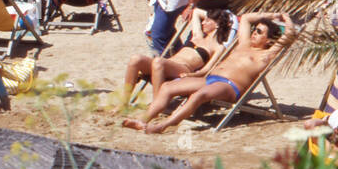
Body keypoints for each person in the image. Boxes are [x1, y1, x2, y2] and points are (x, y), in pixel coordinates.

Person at [125, 11, 296, 134]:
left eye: (259, 32)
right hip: (211, 79)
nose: (253, 33)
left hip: (230, 87)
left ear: (269, 40)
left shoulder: (266, 55)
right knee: (168, 87)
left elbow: (290, 33)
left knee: (200, 95)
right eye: (254, 30)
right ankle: (142, 120)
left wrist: (286, 18)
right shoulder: (244, 43)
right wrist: (271, 15)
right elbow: (245, 19)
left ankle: (165, 125)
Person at [123, 7, 236, 96]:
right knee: (136, 59)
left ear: (217, 25)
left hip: (183, 68)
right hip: (166, 64)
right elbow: (196, 12)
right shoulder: (198, 35)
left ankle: (157, 102)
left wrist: (190, 75)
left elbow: (207, 69)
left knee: (158, 62)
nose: (203, 23)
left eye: (207, 21)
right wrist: (215, 16)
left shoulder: (219, 47)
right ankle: (123, 102)